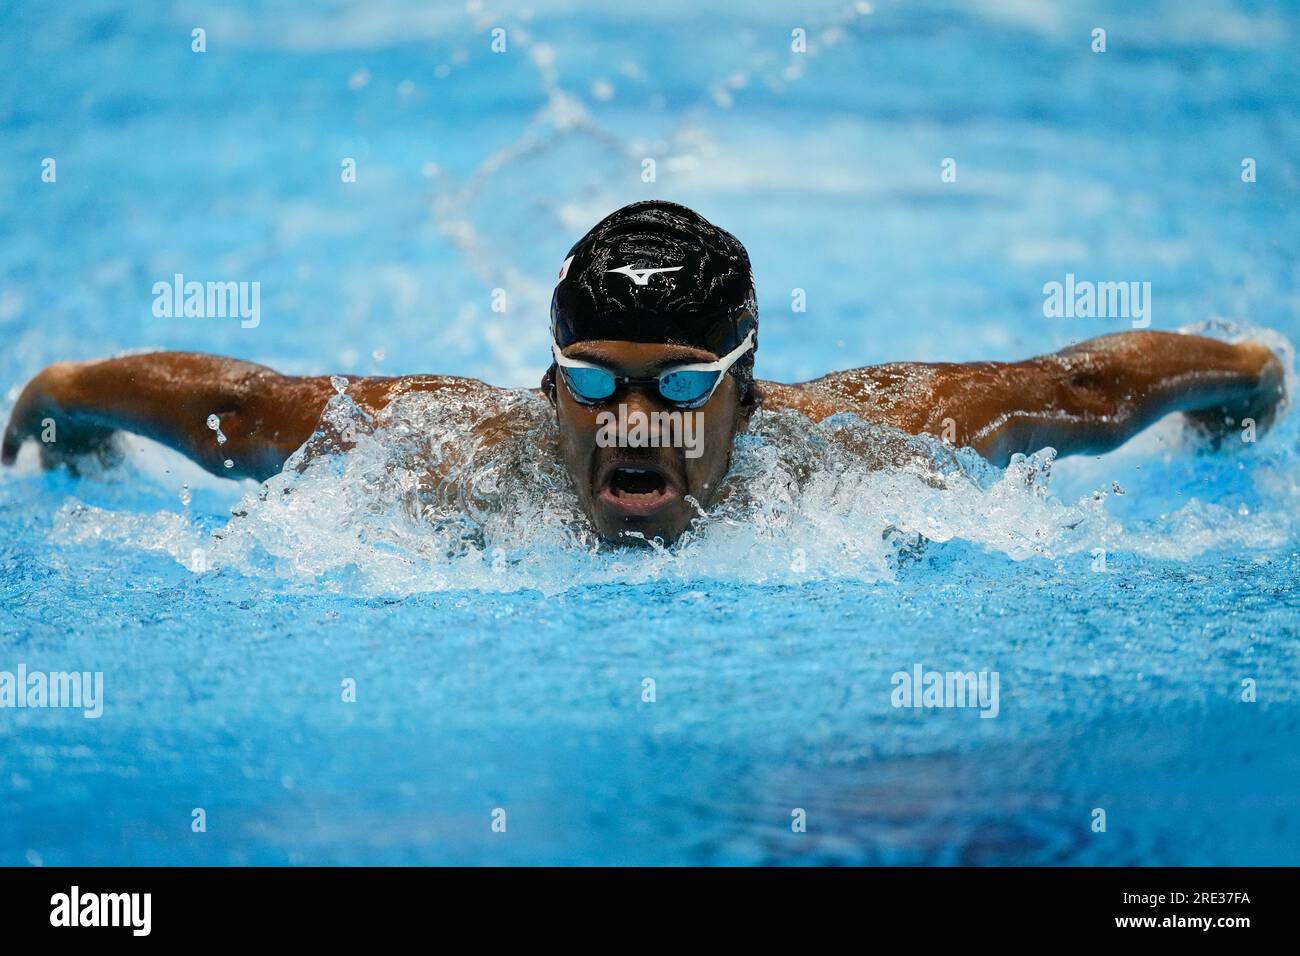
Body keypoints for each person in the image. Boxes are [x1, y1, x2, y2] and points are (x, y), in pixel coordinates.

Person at [2, 200, 1286, 544]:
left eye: (676, 386)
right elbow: (248, 408)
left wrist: (1242, 372)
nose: (632, 418)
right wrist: (67, 394)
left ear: (746, 388)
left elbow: (1073, 389)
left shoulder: (867, 448)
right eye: (595, 380)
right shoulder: (450, 453)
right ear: (550, 381)